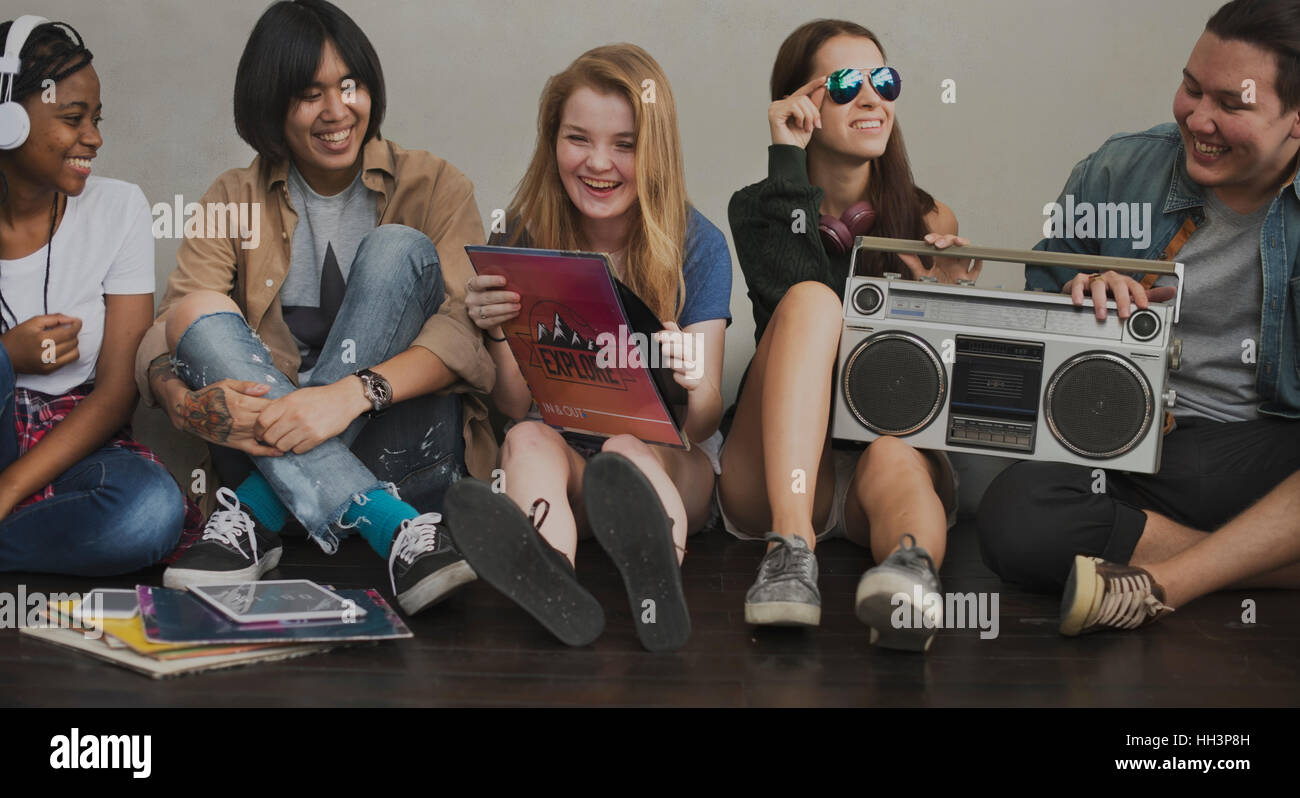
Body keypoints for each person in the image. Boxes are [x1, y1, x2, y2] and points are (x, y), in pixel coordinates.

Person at [138, 0, 496, 615]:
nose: (338, 111)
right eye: (310, 94)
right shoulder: (233, 196)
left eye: (349, 85)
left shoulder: (434, 184)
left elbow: (466, 336)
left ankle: (254, 514)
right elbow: (164, 335)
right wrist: (182, 401)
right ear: (272, 104)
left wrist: (349, 395)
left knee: (396, 249)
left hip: (403, 455)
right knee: (194, 307)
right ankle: (396, 533)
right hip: (271, 448)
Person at [977, 0, 1300, 636]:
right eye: (1190, 88)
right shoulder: (1118, 169)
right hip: (1138, 452)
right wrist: (1079, 287)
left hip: (1267, 456)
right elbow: (1035, 304)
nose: (1197, 119)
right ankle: (1258, 554)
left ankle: (1164, 582)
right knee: (1017, 517)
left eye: (1231, 105)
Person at [445, 44, 731, 652]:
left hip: (669, 461)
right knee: (523, 437)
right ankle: (551, 574)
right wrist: (498, 331)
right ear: (553, 142)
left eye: (624, 144)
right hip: (567, 454)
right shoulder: (521, 233)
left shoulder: (697, 243)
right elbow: (512, 402)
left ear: (654, 150)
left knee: (628, 448)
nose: (599, 163)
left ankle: (658, 581)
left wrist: (691, 377)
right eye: (579, 139)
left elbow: (702, 419)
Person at [721, 19, 978, 652]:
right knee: (813, 301)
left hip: (876, 465)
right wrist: (787, 156)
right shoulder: (757, 207)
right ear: (800, 103)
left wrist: (950, 297)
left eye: (883, 82)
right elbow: (794, 290)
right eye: (844, 84)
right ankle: (790, 553)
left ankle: (909, 577)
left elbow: (942, 387)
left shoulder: (926, 218)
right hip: (778, 480)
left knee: (894, 452)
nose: (871, 99)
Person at [0, 16, 190, 576]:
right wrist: (10, 356)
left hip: (75, 441)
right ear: (6, 120)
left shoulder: (119, 208)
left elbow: (114, 394)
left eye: (96, 119)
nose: (94, 138)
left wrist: (9, 486)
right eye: (73, 118)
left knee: (151, 511)